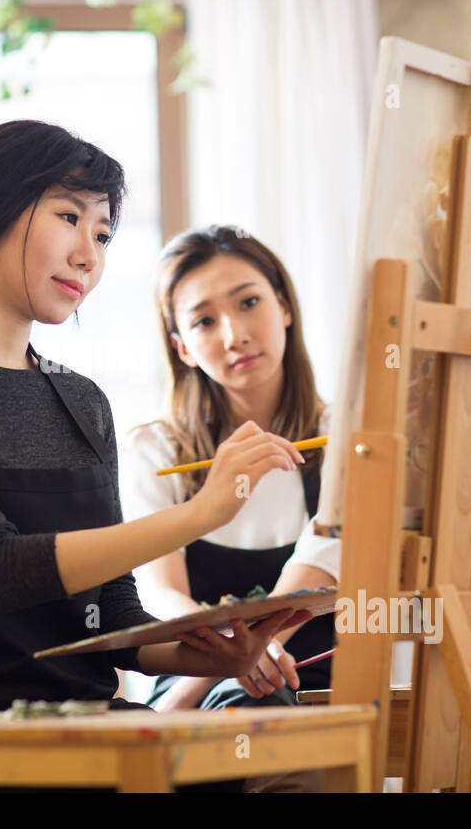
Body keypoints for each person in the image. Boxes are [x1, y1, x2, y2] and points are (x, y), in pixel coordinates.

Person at [0, 121, 311, 717]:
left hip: (94, 722)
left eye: (102, 234)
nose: (88, 256)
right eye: (69, 218)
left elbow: (116, 613)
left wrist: (214, 656)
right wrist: (201, 513)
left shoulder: (83, 400)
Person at [121, 225, 339, 711]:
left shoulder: (344, 434)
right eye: (203, 322)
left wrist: (249, 654)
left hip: (314, 675)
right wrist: (223, 659)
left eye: (248, 303)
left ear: (284, 307)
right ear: (181, 348)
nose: (234, 335)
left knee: (264, 708)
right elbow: (159, 592)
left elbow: (321, 565)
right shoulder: (154, 451)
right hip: (192, 671)